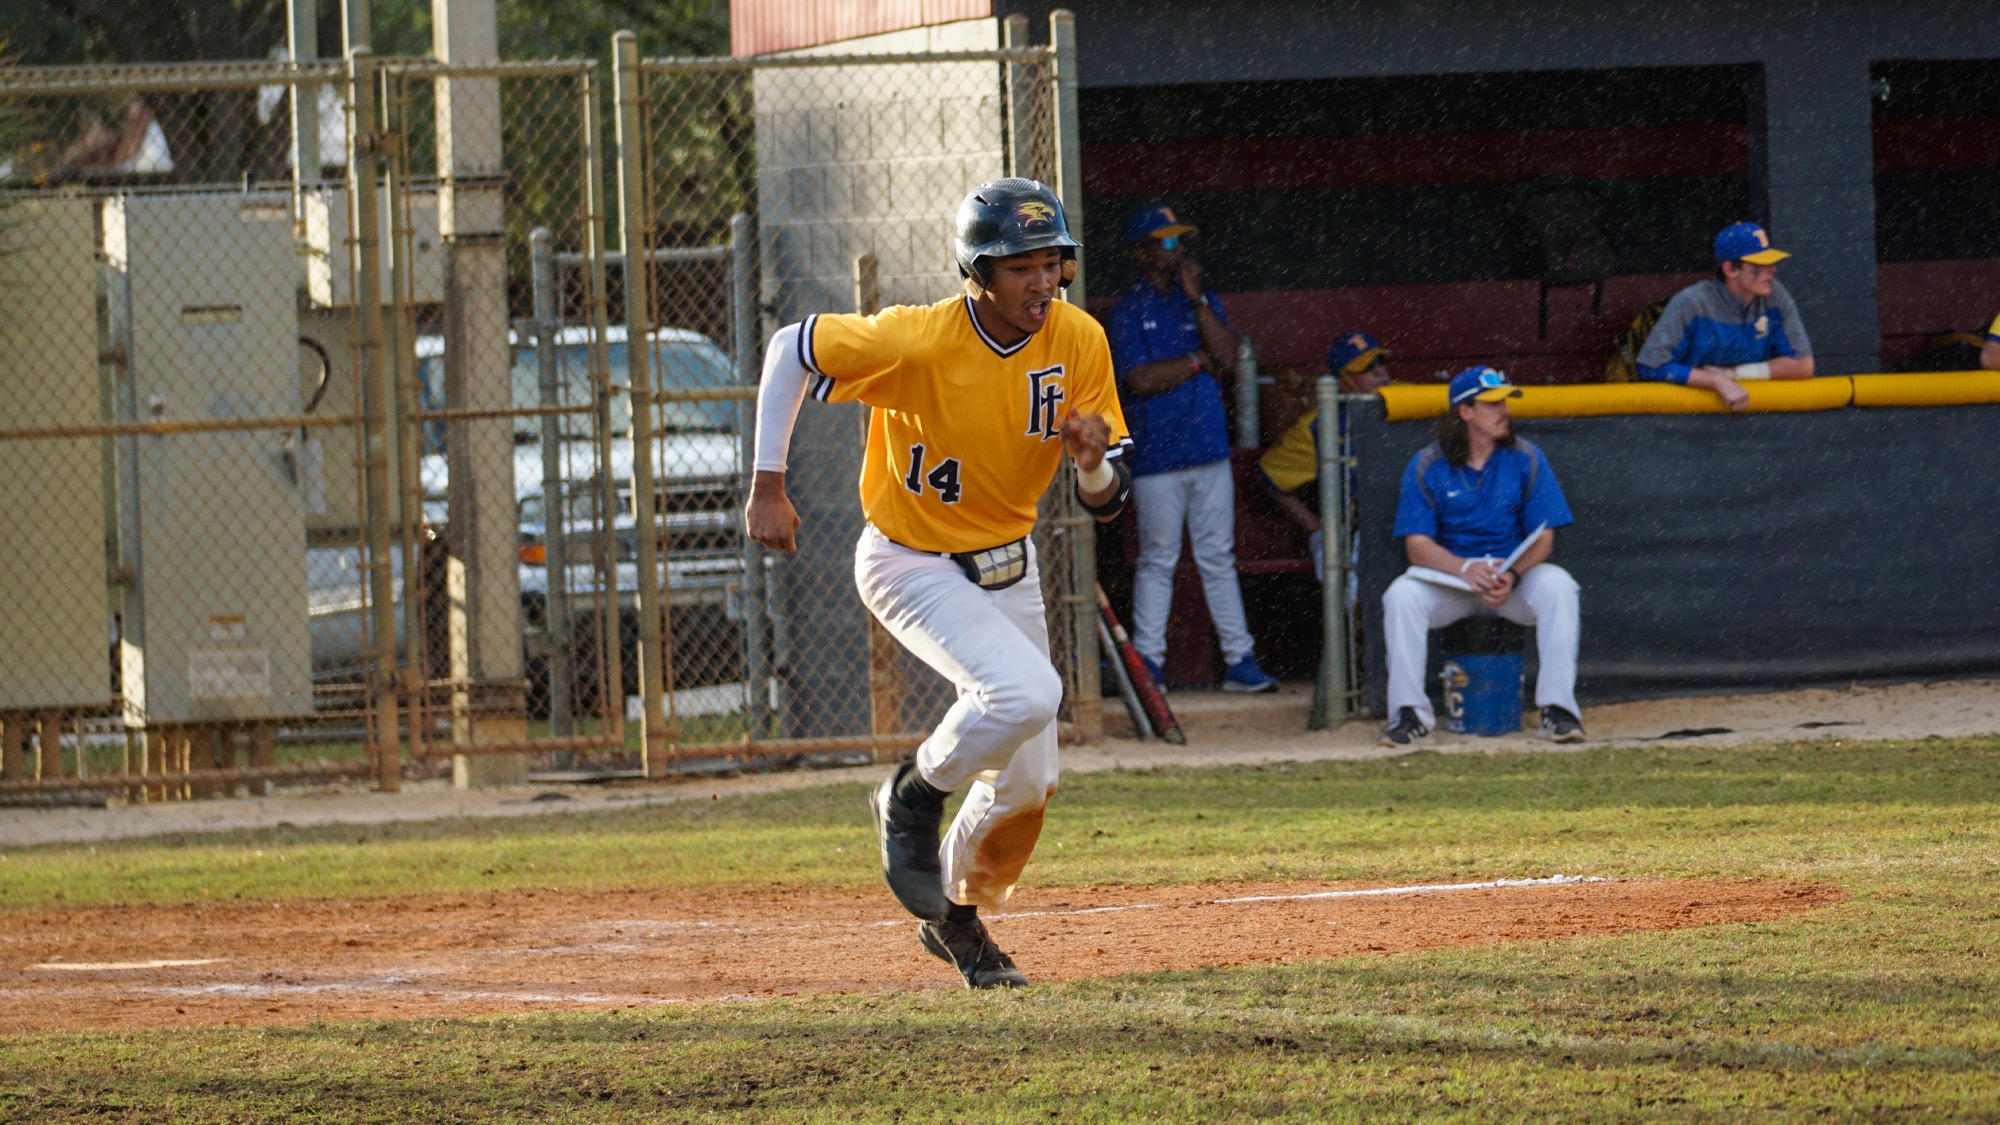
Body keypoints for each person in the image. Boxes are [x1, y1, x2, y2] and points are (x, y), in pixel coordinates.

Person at [743, 179, 1132, 989]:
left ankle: (953, 913)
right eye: (1020, 265)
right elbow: (790, 349)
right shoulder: (919, 339)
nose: (1043, 280)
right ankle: (913, 796)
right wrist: (767, 480)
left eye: (1052, 261)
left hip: (1006, 560)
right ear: (977, 273)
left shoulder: (1079, 340)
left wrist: (1091, 465)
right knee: (1026, 691)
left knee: (1030, 779)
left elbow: (1107, 499)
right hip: (908, 558)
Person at [1107, 205, 1277, 693]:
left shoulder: (1199, 301)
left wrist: (1198, 301)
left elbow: (1226, 357)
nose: (1176, 250)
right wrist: (1193, 362)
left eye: (1178, 241)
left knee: (1217, 558)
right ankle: (1150, 666)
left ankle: (1240, 661)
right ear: (1141, 252)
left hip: (1209, 451)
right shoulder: (1128, 309)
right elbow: (1139, 379)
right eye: (1164, 243)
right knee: (1158, 560)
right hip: (1158, 456)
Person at [1380, 366, 1584, 747]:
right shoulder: (1427, 463)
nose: (1503, 410)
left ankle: (1558, 712)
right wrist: (1465, 568)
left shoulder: (1526, 457)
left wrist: (1515, 574)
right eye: (1492, 404)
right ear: (1465, 412)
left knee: (1559, 585)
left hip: (1509, 581)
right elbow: (1417, 546)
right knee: (1401, 595)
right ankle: (1410, 716)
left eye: (1505, 401)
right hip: (1453, 582)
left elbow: (1545, 538)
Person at [1258, 330, 1396, 580]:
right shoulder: (1318, 424)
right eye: (1367, 368)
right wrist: (1313, 525)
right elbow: (1269, 477)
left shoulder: (1410, 400)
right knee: (1347, 573)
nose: (1379, 372)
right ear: (1343, 381)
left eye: (1380, 362)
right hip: (1346, 528)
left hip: (1398, 522)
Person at [1636, 221, 1815, 410]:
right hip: (1689, 417)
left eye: (1771, 261)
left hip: (1753, 415)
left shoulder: (1774, 294)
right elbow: (1650, 367)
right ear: (1730, 269)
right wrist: (1715, 381)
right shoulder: (1691, 302)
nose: (1772, 269)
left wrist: (1733, 375)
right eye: (1761, 263)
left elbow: (1803, 365)